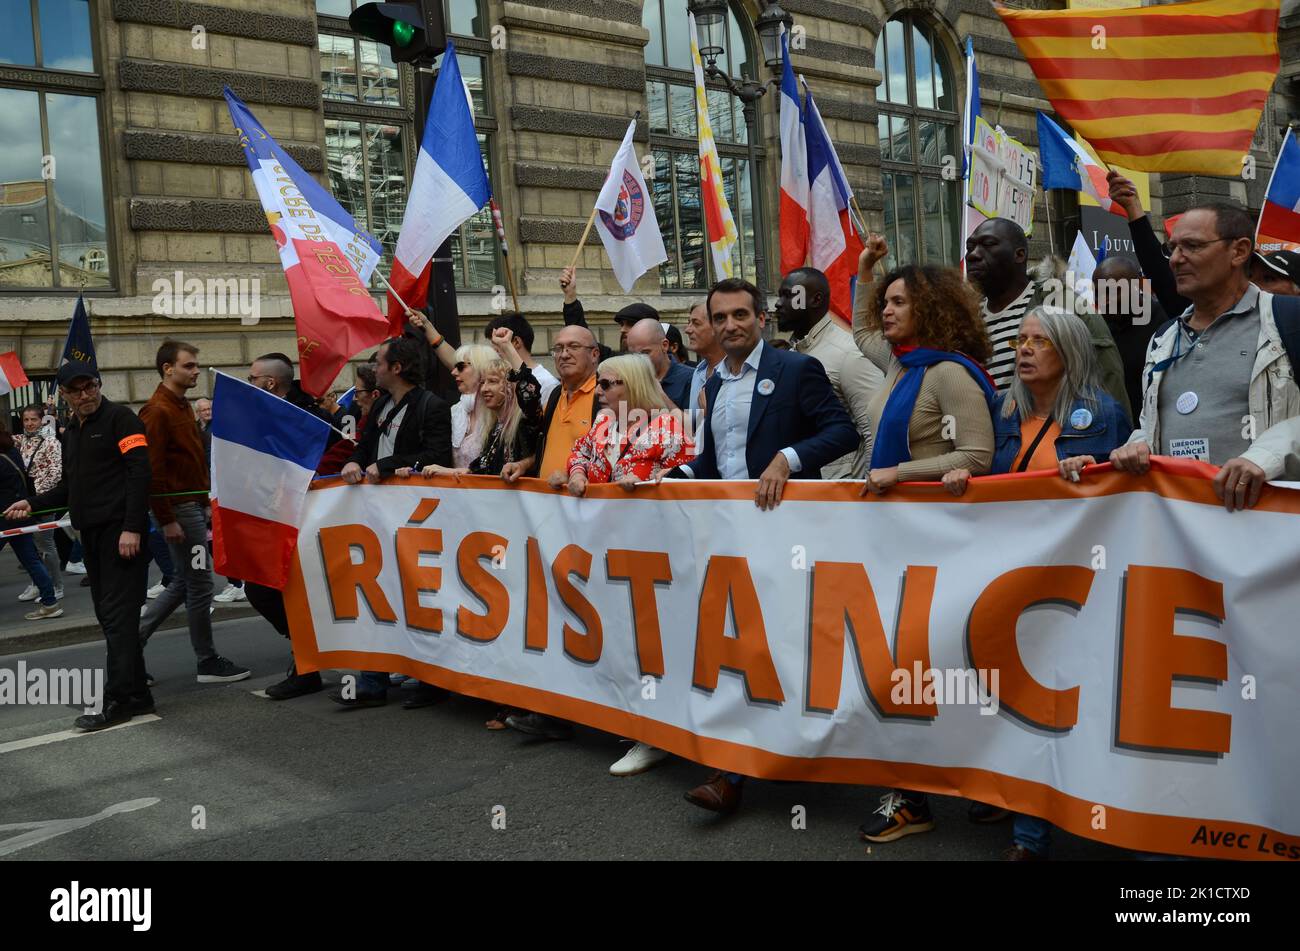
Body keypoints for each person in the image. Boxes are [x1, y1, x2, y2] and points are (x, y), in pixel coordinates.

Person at [940, 306, 1131, 860]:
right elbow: (996, 479)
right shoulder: (1005, 412)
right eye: (1021, 340)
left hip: (1074, 586)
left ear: (1068, 351)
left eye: (1039, 342)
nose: (1024, 350)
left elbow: (1127, 488)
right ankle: (1022, 820)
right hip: (1009, 578)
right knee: (1013, 701)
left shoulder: (1102, 413)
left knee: (1065, 702)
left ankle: (1063, 825)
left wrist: (1096, 471)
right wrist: (965, 478)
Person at [665, 277, 858, 813]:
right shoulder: (712, 386)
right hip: (731, 539)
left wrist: (789, 459)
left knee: (790, 647)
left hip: (789, 537)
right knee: (739, 647)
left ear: (761, 319)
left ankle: (817, 750)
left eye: (740, 316)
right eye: (720, 317)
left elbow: (843, 432)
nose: (730, 326)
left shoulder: (796, 370)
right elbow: (709, 464)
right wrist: (666, 478)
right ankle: (733, 769)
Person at [851, 236, 997, 841]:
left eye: (899, 302)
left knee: (928, 668)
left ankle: (944, 790)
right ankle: (917, 791)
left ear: (930, 310)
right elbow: (859, 331)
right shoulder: (899, 364)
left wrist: (898, 473)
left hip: (939, 545)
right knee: (900, 667)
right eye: (885, 302)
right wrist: (866, 273)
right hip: (896, 544)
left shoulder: (947, 375)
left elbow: (978, 454)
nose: (886, 312)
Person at [1109, 202, 1300, 509]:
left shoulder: (1288, 321)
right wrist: (1135, 447)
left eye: (1192, 246)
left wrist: (1266, 458)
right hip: (1183, 530)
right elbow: (1151, 425)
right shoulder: (1163, 338)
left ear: (1238, 251)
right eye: (1172, 248)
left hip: (1272, 530)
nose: (1175, 259)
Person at [556, 352, 695, 772]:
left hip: (657, 550)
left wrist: (653, 482)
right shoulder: (602, 424)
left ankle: (656, 734)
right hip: (605, 547)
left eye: (608, 384)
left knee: (654, 640)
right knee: (620, 636)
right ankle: (633, 722)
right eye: (600, 384)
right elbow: (579, 452)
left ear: (633, 385)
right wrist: (576, 473)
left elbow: (690, 477)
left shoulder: (671, 426)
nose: (598, 392)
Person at [4, 362, 152, 730]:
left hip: (122, 534)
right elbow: (69, 489)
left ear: (99, 386)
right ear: (65, 396)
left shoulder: (122, 420)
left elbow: (140, 473)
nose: (85, 395)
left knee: (118, 617)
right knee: (111, 617)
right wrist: (32, 503)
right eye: (77, 390)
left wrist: (132, 527)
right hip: (93, 537)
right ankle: (137, 693)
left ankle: (118, 700)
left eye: (90, 387)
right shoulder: (71, 432)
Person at [335, 335, 453, 709]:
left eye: (379, 361)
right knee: (378, 591)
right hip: (378, 513)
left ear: (397, 368)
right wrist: (354, 461)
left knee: (418, 593)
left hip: (415, 514)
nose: (375, 367)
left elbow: (434, 454)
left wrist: (382, 466)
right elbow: (365, 446)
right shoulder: (383, 404)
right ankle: (372, 681)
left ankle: (429, 678)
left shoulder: (431, 406)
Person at [137, 342, 249, 684]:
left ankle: (129, 646)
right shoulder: (157, 411)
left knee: (186, 581)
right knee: (199, 583)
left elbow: (192, 462)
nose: (196, 370)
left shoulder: (181, 406)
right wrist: (168, 518)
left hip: (191, 507)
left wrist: (203, 504)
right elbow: (151, 471)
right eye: (189, 366)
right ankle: (207, 660)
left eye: (196, 365)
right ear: (168, 368)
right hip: (179, 511)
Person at [240, 353, 339, 701]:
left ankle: (307, 664)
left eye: (253, 378)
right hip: (272, 518)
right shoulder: (260, 416)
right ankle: (306, 651)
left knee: (299, 591)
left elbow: (327, 461)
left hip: (308, 519)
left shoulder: (308, 418)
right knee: (260, 588)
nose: (248, 383)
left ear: (270, 383)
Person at [965, 217, 1131, 420]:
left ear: (1020, 255)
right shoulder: (964, 321)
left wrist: (1112, 439)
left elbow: (1106, 375)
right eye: (970, 247)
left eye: (988, 245)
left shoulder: (1063, 304)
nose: (973, 255)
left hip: (1058, 442)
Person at [775, 267, 884, 478]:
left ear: (816, 300)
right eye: (780, 295)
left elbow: (875, 430)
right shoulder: (791, 353)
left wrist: (871, 493)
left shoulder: (848, 353)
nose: (778, 303)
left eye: (789, 295)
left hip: (842, 493)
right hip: (804, 489)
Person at [0, 420, 62, 620]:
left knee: (32, 559)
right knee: (31, 560)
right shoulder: (12, 449)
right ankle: (50, 602)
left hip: (5, 517)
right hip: (20, 515)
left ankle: (50, 601)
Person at [1092, 257, 1163, 418]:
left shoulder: (1166, 323)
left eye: (1111, 291)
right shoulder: (1096, 332)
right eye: (1098, 293)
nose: (1104, 301)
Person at [530, 325, 602, 481]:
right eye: (558, 348)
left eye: (573, 347)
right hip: (545, 500)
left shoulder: (605, 396)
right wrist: (524, 465)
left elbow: (617, 459)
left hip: (586, 501)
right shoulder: (555, 395)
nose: (563, 355)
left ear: (594, 354)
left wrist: (574, 474)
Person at [14, 404, 64, 602]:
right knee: (31, 545)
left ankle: (57, 586)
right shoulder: (21, 441)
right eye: (26, 420)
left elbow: (56, 473)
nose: (29, 423)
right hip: (27, 501)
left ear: (42, 420)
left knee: (46, 544)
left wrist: (39, 497)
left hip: (44, 500)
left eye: (33, 419)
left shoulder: (51, 442)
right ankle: (39, 583)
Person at [483, 312, 560, 402]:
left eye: (497, 343)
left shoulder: (547, 384)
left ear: (516, 342)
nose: (494, 350)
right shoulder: (502, 380)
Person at [624, 317, 695, 410]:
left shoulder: (691, 378)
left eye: (645, 353)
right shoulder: (628, 380)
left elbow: (696, 423)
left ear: (665, 345)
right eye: (633, 355)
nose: (639, 360)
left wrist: (660, 396)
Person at [558, 265, 626, 359]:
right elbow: (580, 335)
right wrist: (570, 294)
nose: (622, 330)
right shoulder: (612, 361)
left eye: (631, 325)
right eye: (622, 324)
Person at [684, 301, 724, 418]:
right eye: (689, 323)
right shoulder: (699, 371)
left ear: (716, 327)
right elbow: (693, 425)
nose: (688, 330)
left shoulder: (736, 371)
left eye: (696, 323)